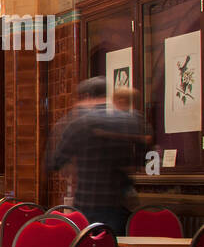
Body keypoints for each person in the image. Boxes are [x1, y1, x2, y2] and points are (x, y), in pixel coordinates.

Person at [46, 76, 146, 233]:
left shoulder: (79, 122)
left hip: (89, 203)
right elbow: (143, 158)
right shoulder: (131, 120)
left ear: (85, 97)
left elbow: (55, 161)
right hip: (121, 204)